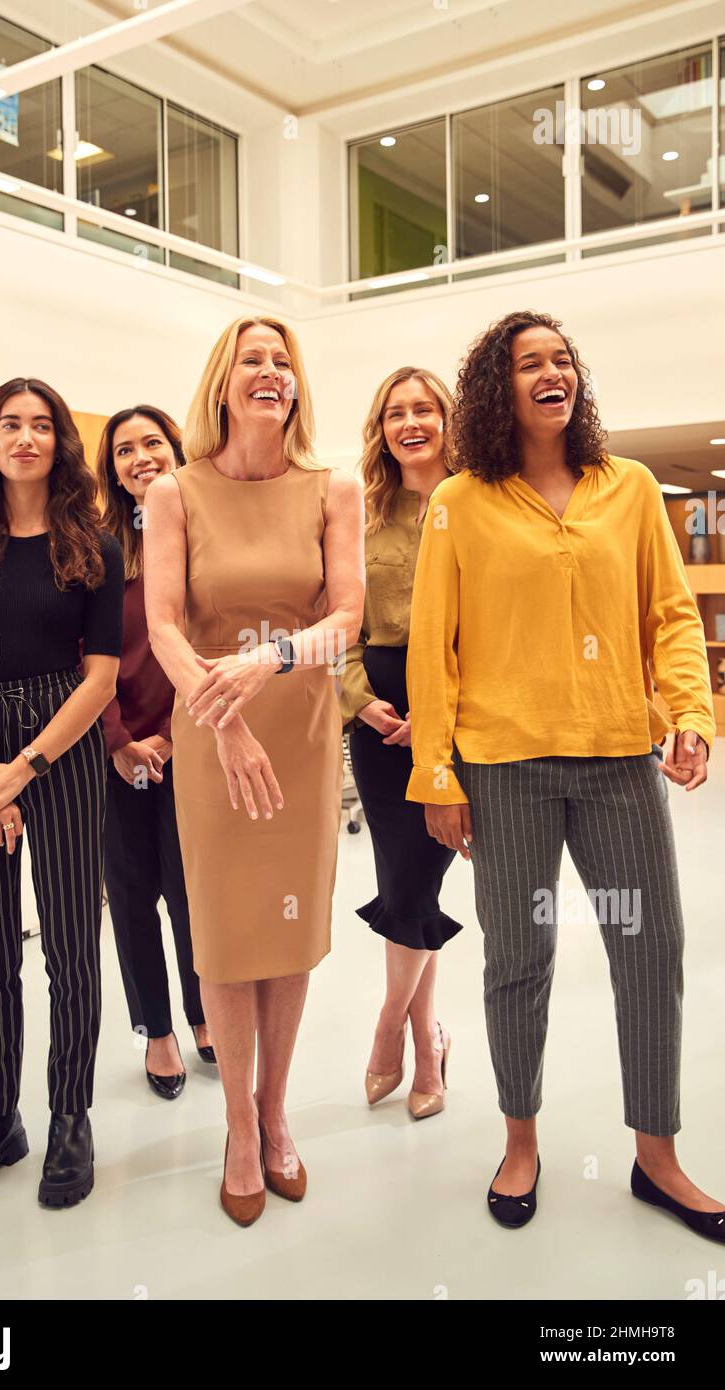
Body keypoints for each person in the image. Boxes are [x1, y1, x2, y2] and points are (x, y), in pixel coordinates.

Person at [407, 310, 723, 1239]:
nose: (552, 373)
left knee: (650, 953)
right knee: (517, 962)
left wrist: (693, 715)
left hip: (621, 757)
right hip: (502, 766)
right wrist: (438, 775)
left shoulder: (628, 488)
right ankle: (519, 1139)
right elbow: (435, 645)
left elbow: (669, 615)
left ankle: (656, 1156)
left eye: (562, 360)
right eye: (528, 363)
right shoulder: (460, 500)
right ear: (496, 392)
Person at [144, 314, 363, 1225]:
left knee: (288, 932)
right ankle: (238, 1126)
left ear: (296, 386)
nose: (269, 373)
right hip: (212, 734)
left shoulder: (331, 488)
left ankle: (278, 1117)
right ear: (224, 384)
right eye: (253, 361)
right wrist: (220, 714)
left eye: (283, 362)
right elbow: (163, 626)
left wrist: (267, 664)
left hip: (303, 727)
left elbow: (346, 616)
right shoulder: (174, 493)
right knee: (229, 937)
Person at [0, 377, 123, 1210]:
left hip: (60, 748)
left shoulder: (95, 546)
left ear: (61, 444)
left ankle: (69, 1114)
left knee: (72, 941)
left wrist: (25, 769)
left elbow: (103, 678)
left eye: (43, 426)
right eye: (13, 424)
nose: (27, 438)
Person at [340, 368, 462, 1119]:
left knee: (414, 882)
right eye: (395, 413)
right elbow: (342, 630)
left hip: (457, 719)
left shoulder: (480, 503)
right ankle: (429, 1044)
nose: (410, 423)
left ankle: (390, 1028)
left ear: (450, 420)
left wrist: (447, 716)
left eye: (424, 410)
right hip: (380, 721)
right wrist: (363, 704)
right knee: (406, 881)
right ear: (381, 428)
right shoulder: (363, 516)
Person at [96, 404, 215, 1100]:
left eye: (152, 444)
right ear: (110, 470)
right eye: (122, 451)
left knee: (194, 892)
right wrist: (117, 740)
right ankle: (159, 1032)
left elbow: (211, 642)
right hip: (116, 750)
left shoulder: (204, 534)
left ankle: (204, 1015)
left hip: (194, 740)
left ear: (176, 449)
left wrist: (176, 733)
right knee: (134, 893)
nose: (139, 458)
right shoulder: (98, 550)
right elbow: (87, 656)